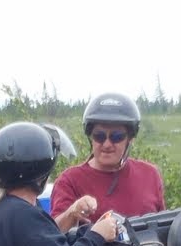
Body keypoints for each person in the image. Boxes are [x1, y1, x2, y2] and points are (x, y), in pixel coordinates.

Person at [50, 91, 165, 222]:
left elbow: (162, 226)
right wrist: (73, 212)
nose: (107, 144)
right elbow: (54, 234)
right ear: (90, 137)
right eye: (99, 136)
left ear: (130, 139)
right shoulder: (69, 181)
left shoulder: (150, 174)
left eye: (116, 137)